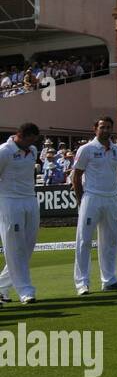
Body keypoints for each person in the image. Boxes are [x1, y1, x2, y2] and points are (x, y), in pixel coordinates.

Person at [71, 117, 117, 295]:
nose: (105, 130)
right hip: (91, 197)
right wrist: (81, 199)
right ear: (95, 129)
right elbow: (76, 176)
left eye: (109, 127)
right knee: (84, 240)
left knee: (110, 240)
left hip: (111, 198)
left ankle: (109, 280)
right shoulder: (86, 149)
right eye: (102, 127)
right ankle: (82, 283)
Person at [0, 122, 42, 305]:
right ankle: (26, 291)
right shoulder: (4, 151)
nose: (31, 144)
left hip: (30, 200)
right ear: (19, 135)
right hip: (10, 201)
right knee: (14, 247)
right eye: (29, 140)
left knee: (26, 247)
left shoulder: (32, 150)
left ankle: (1, 287)